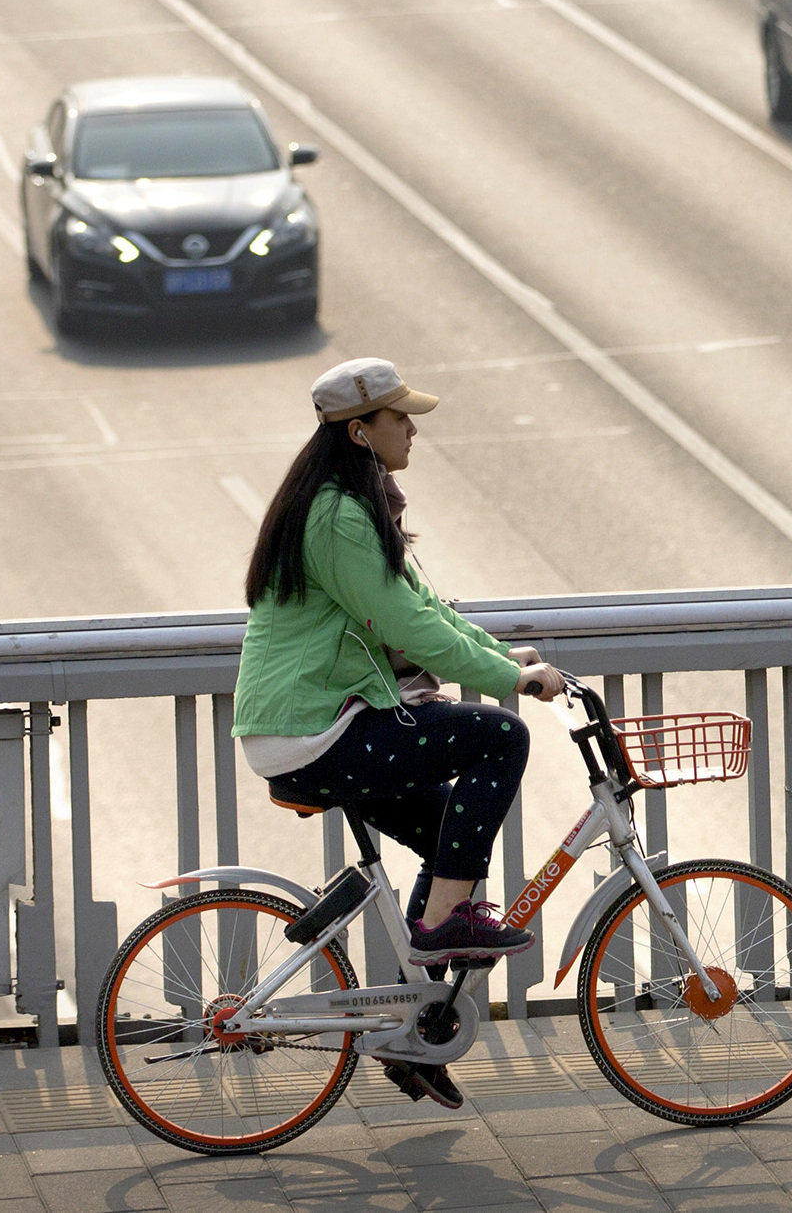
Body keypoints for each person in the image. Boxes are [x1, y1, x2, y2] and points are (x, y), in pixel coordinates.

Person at [233, 358, 568, 1103]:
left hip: (328, 722)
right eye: (400, 417)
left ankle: (416, 1025)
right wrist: (510, 686)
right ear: (360, 431)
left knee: (456, 832)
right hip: (315, 729)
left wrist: (499, 658)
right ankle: (443, 928)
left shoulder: (354, 506)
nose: (413, 428)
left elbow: (429, 612)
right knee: (500, 739)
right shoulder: (338, 517)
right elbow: (405, 624)